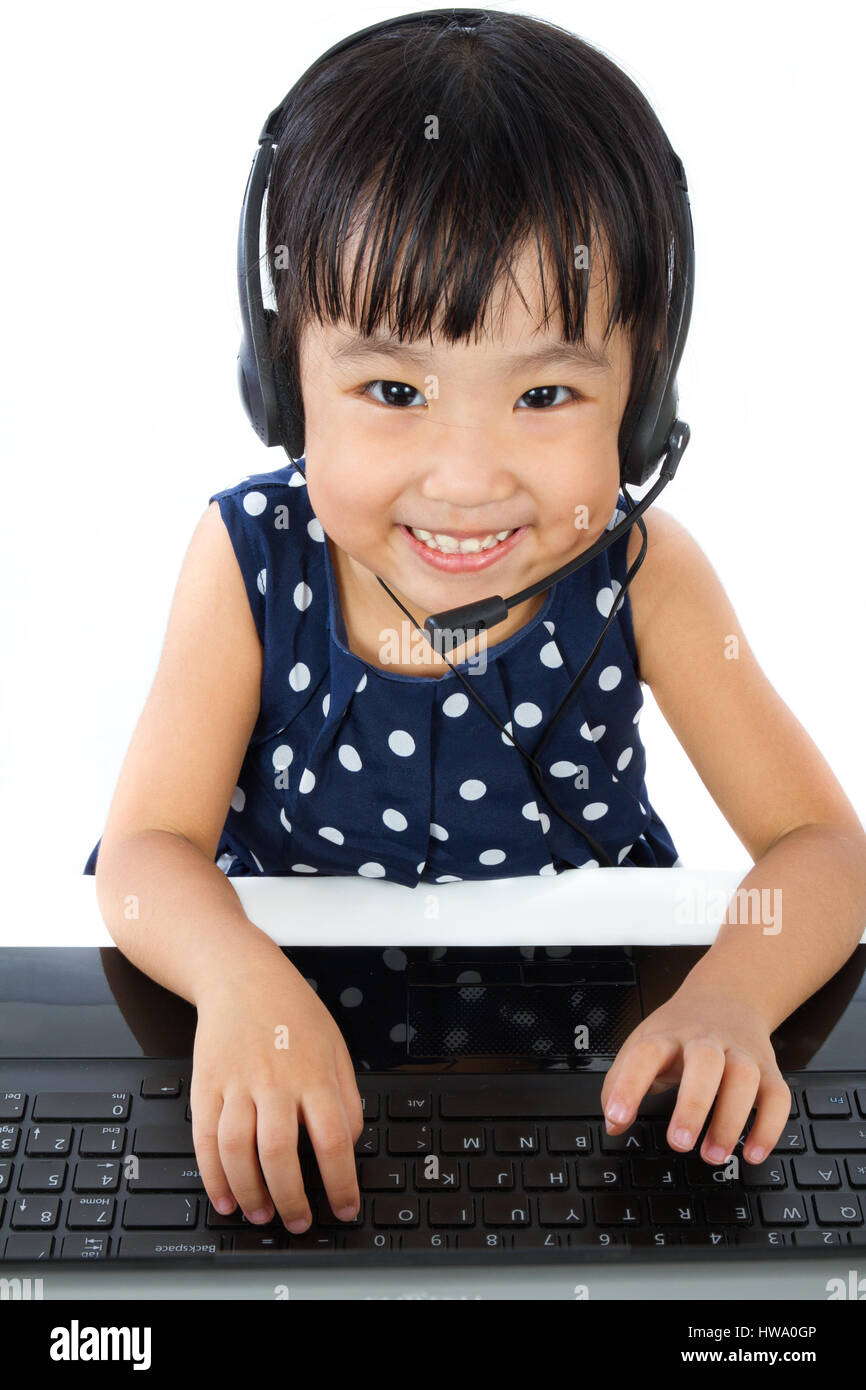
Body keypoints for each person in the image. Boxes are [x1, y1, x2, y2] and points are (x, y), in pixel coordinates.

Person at [84, 10, 866, 1238]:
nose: (464, 478)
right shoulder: (247, 561)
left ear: (641, 398)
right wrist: (241, 981)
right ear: (285, 379)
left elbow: (823, 847)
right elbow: (141, 857)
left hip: (591, 1095)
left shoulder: (642, 576)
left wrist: (729, 1000)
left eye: (545, 392)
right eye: (391, 390)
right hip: (287, 1074)